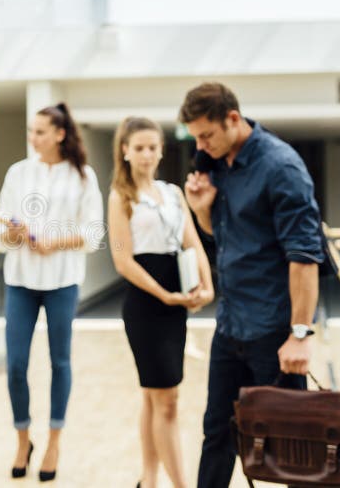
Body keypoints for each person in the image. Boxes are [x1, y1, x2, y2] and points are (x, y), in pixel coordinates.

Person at [179, 82, 324, 488]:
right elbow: (223, 236)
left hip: (275, 332)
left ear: (233, 119)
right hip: (230, 326)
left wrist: (299, 333)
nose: (201, 147)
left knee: (291, 446)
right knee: (217, 436)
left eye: (207, 135)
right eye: (196, 138)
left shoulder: (281, 168)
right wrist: (202, 210)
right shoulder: (217, 162)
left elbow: (304, 256)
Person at [0, 103, 103, 482]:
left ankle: (54, 441)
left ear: (60, 134)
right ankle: (23, 439)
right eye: (31, 131)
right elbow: (3, 233)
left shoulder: (83, 176)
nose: (33, 138)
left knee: (60, 362)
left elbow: (93, 234)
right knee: (15, 365)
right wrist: (12, 231)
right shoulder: (18, 172)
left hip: (62, 281)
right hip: (20, 281)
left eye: (40, 131)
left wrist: (53, 242)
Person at [107, 116, 213, 488]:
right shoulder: (120, 196)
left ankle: (149, 479)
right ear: (125, 151)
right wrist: (166, 295)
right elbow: (122, 260)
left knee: (155, 397)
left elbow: (192, 242)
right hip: (146, 305)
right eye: (139, 148)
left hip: (176, 303)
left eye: (153, 147)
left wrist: (206, 285)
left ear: (161, 150)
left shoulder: (172, 193)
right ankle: (182, 485)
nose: (147, 154)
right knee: (166, 400)